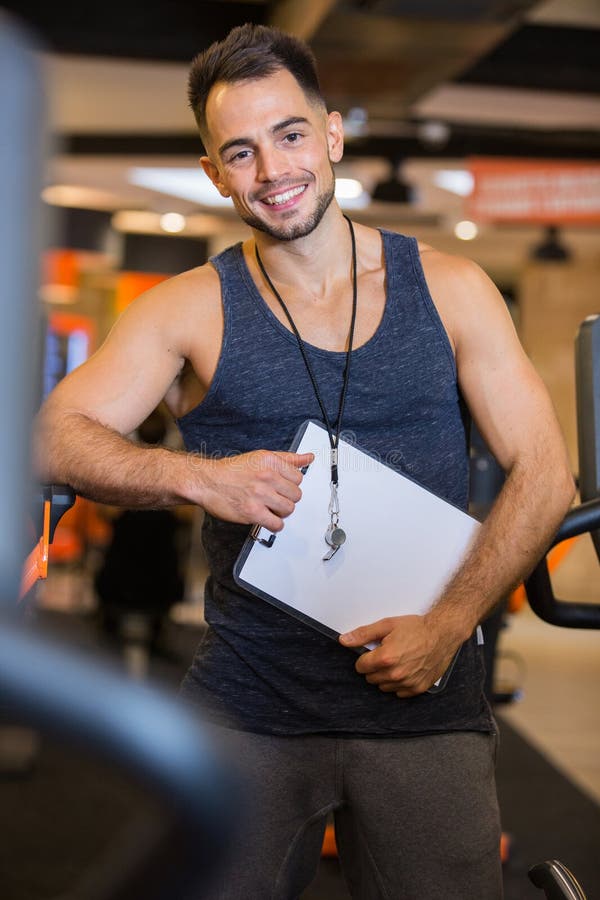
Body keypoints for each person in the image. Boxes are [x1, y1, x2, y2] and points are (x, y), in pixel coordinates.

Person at [35, 23, 575, 900]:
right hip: (250, 700)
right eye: (239, 152)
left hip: (426, 701)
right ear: (215, 173)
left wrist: (447, 628)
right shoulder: (190, 308)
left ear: (330, 135)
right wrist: (195, 475)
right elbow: (54, 433)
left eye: (289, 135)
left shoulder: (451, 288)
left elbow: (547, 474)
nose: (272, 170)